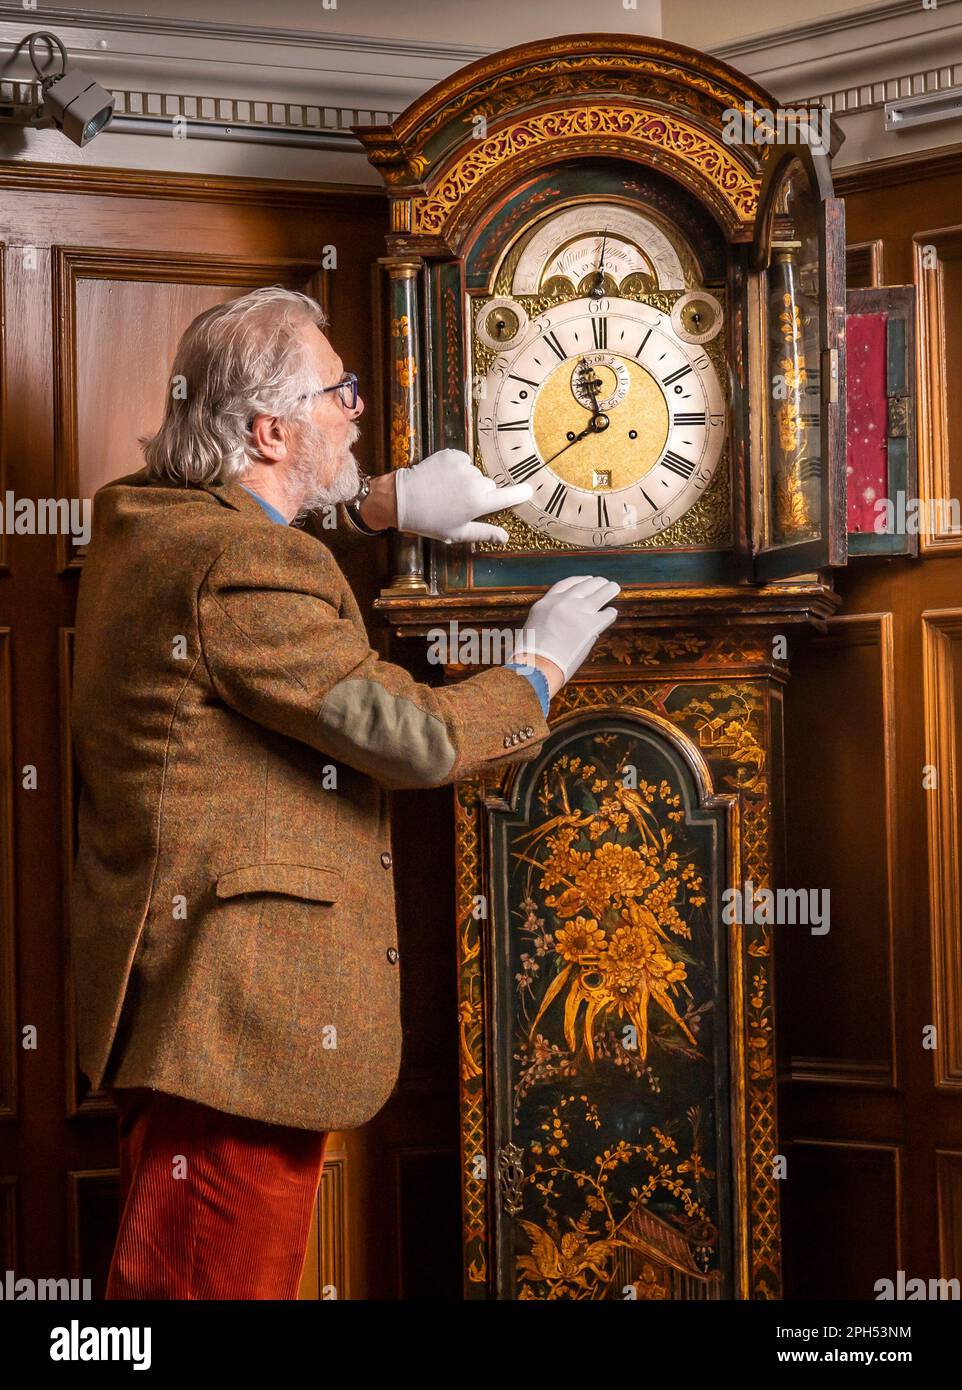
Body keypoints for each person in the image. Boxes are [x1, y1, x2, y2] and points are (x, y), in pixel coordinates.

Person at [69, 285, 619, 1299]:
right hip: (234, 1022)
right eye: (342, 393)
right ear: (271, 429)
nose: (358, 410)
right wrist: (535, 669)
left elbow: (249, 542)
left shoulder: (140, 517)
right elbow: (407, 736)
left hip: (195, 1016)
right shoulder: (239, 565)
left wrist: (377, 503)